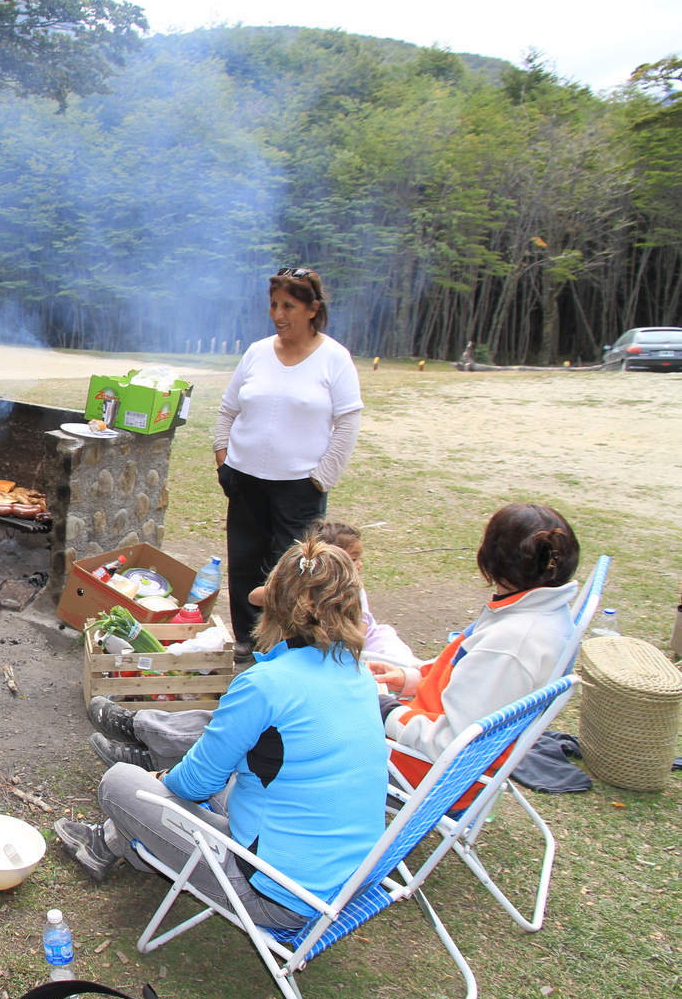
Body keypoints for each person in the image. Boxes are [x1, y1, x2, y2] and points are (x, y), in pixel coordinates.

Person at [55, 539, 387, 929]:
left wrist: (156, 780)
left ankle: (118, 827)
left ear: (276, 609)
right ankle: (107, 843)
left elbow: (194, 785)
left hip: (278, 894)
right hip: (348, 880)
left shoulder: (267, 684)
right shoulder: (359, 672)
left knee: (120, 784)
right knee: (226, 770)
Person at [372, 503, 579, 804]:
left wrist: (385, 710)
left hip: (412, 773)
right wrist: (413, 680)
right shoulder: (539, 614)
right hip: (424, 748)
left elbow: (450, 743)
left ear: (490, 559)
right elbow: (473, 690)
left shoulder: (512, 644)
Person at [214, 268, 363, 660]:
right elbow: (228, 409)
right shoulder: (257, 352)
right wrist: (222, 459)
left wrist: (322, 477)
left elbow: (347, 422)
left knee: (296, 569)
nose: (279, 315)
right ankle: (248, 641)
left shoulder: (334, 359)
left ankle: (288, 644)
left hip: (299, 484)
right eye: (274, 305)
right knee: (245, 562)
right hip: (244, 478)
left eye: (289, 306)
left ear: (313, 309)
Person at [251, 520, 417, 667]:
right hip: (321, 649)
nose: (360, 565)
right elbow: (254, 597)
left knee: (402, 666)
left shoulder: (352, 589)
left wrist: (347, 656)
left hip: (370, 647)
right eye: (353, 559)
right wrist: (288, 592)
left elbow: (360, 630)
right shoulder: (301, 579)